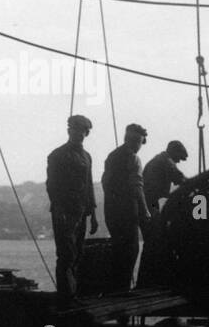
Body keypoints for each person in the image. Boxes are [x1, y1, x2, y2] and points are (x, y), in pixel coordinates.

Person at [46, 114, 99, 306]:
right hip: (64, 211)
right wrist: (58, 207)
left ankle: (73, 294)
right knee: (66, 254)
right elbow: (52, 185)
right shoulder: (57, 155)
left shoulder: (87, 156)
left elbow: (89, 186)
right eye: (75, 130)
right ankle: (66, 296)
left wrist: (93, 214)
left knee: (78, 253)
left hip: (82, 211)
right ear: (69, 131)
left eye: (83, 132)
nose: (79, 134)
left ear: (86, 134)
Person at [102, 123, 151, 294]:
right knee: (131, 249)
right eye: (139, 142)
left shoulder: (112, 156)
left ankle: (114, 288)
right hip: (128, 210)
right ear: (136, 141)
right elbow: (136, 186)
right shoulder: (133, 158)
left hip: (111, 209)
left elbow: (105, 182)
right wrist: (145, 210)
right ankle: (123, 289)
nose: (139, 146)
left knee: (117, 248)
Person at [143, 140, 189, 217]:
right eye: (179, 157)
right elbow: (181, 179)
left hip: (147, 200)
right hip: (149, 202)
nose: (178, 161)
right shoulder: (167, 162)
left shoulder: (158, 159)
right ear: (174, 153)